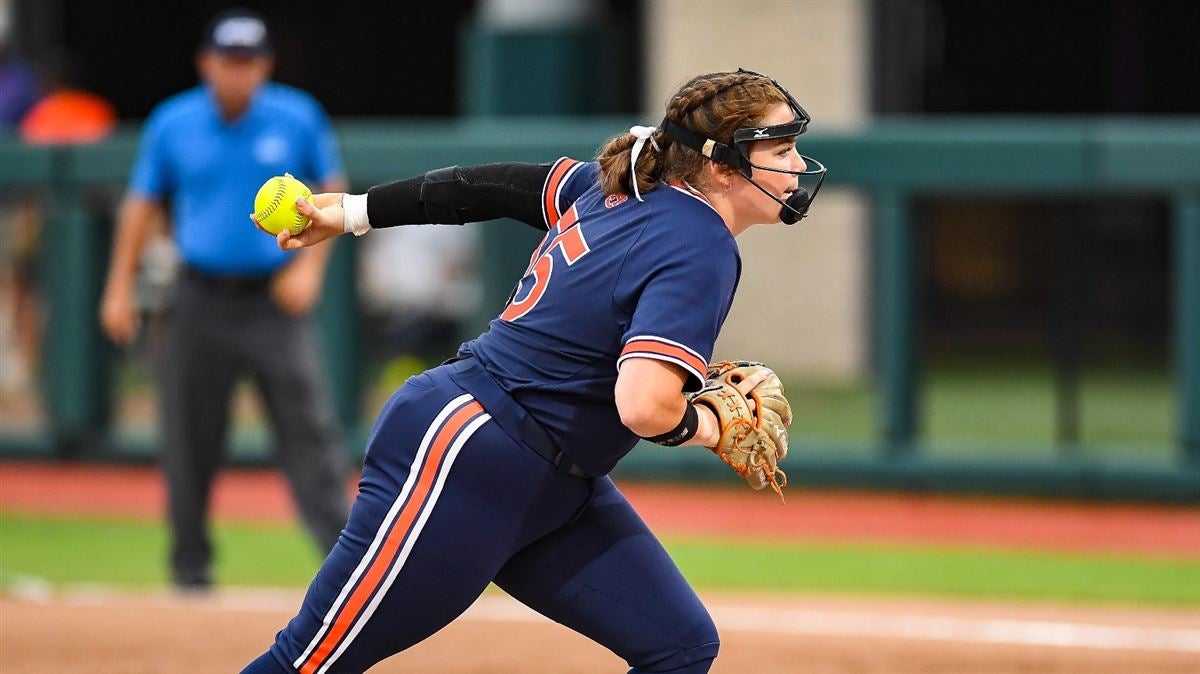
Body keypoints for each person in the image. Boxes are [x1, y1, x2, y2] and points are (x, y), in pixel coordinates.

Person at [242, 68, 826, 673]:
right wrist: (709, 424)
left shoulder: (616, 186)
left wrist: (355, 213)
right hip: (469, 453)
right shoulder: (701, 238)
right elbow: (644, 406)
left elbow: (482, 187)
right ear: (725, 166)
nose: (795, 163)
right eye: (780, 149)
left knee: (679, 647)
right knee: (306, 663)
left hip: (554, 480)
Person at [99, 8, 350, 592]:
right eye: (228, 60)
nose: (238, 72)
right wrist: (118, 286)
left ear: (265, 64)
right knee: (189, 435)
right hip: (198, 297)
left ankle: (347, 569)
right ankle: (190, 571)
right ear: (205, 62)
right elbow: (141, 204)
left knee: (309, 432)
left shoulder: (296, 114)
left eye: (249, 61)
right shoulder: (173, 121)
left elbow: (332, 186)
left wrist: (311, 269)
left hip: (274, 301)